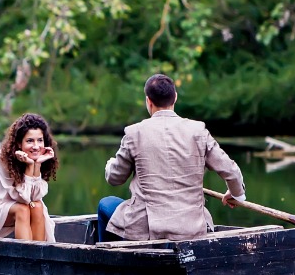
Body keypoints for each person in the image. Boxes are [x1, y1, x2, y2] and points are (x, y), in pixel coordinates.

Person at [97, 74, 246, 242]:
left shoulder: (134, 133)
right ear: (175, 97)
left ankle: (109, 255)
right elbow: (231, 171)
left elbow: (115, 178)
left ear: (148, 101)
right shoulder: (198, 131)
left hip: (148, 229)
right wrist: (236, 194)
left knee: (105, 204)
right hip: (192, 227)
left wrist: (110, 165)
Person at [0, 113, 59, 242]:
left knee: (38, 207)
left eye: (40, 140)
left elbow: (34, 198)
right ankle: (26, 253)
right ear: (19, 143)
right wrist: (30, 167)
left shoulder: (38, 157)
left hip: (23, 206)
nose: (36, 146)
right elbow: (23, 199)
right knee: (22, 209)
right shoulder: (4, 158)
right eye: (30, 141)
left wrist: (37, 165)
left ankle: (39, 252)